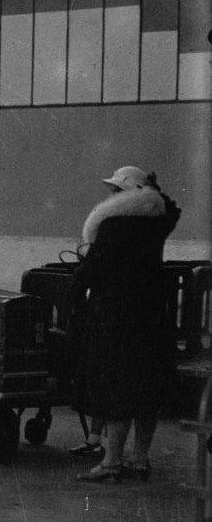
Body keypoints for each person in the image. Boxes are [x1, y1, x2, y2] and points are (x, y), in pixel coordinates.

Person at [72, 165, 181, 483]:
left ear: (126, 193)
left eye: (115, 190)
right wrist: (152, 189)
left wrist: (75, 290)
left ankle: (111, 462)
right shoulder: (160, 220)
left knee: (117, 387)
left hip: (114, 317)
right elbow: (171, 204)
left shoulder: (113, 225)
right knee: (147, 389)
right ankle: (139, 460)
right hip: (150, 315)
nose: (110, 195)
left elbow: (92, 269)